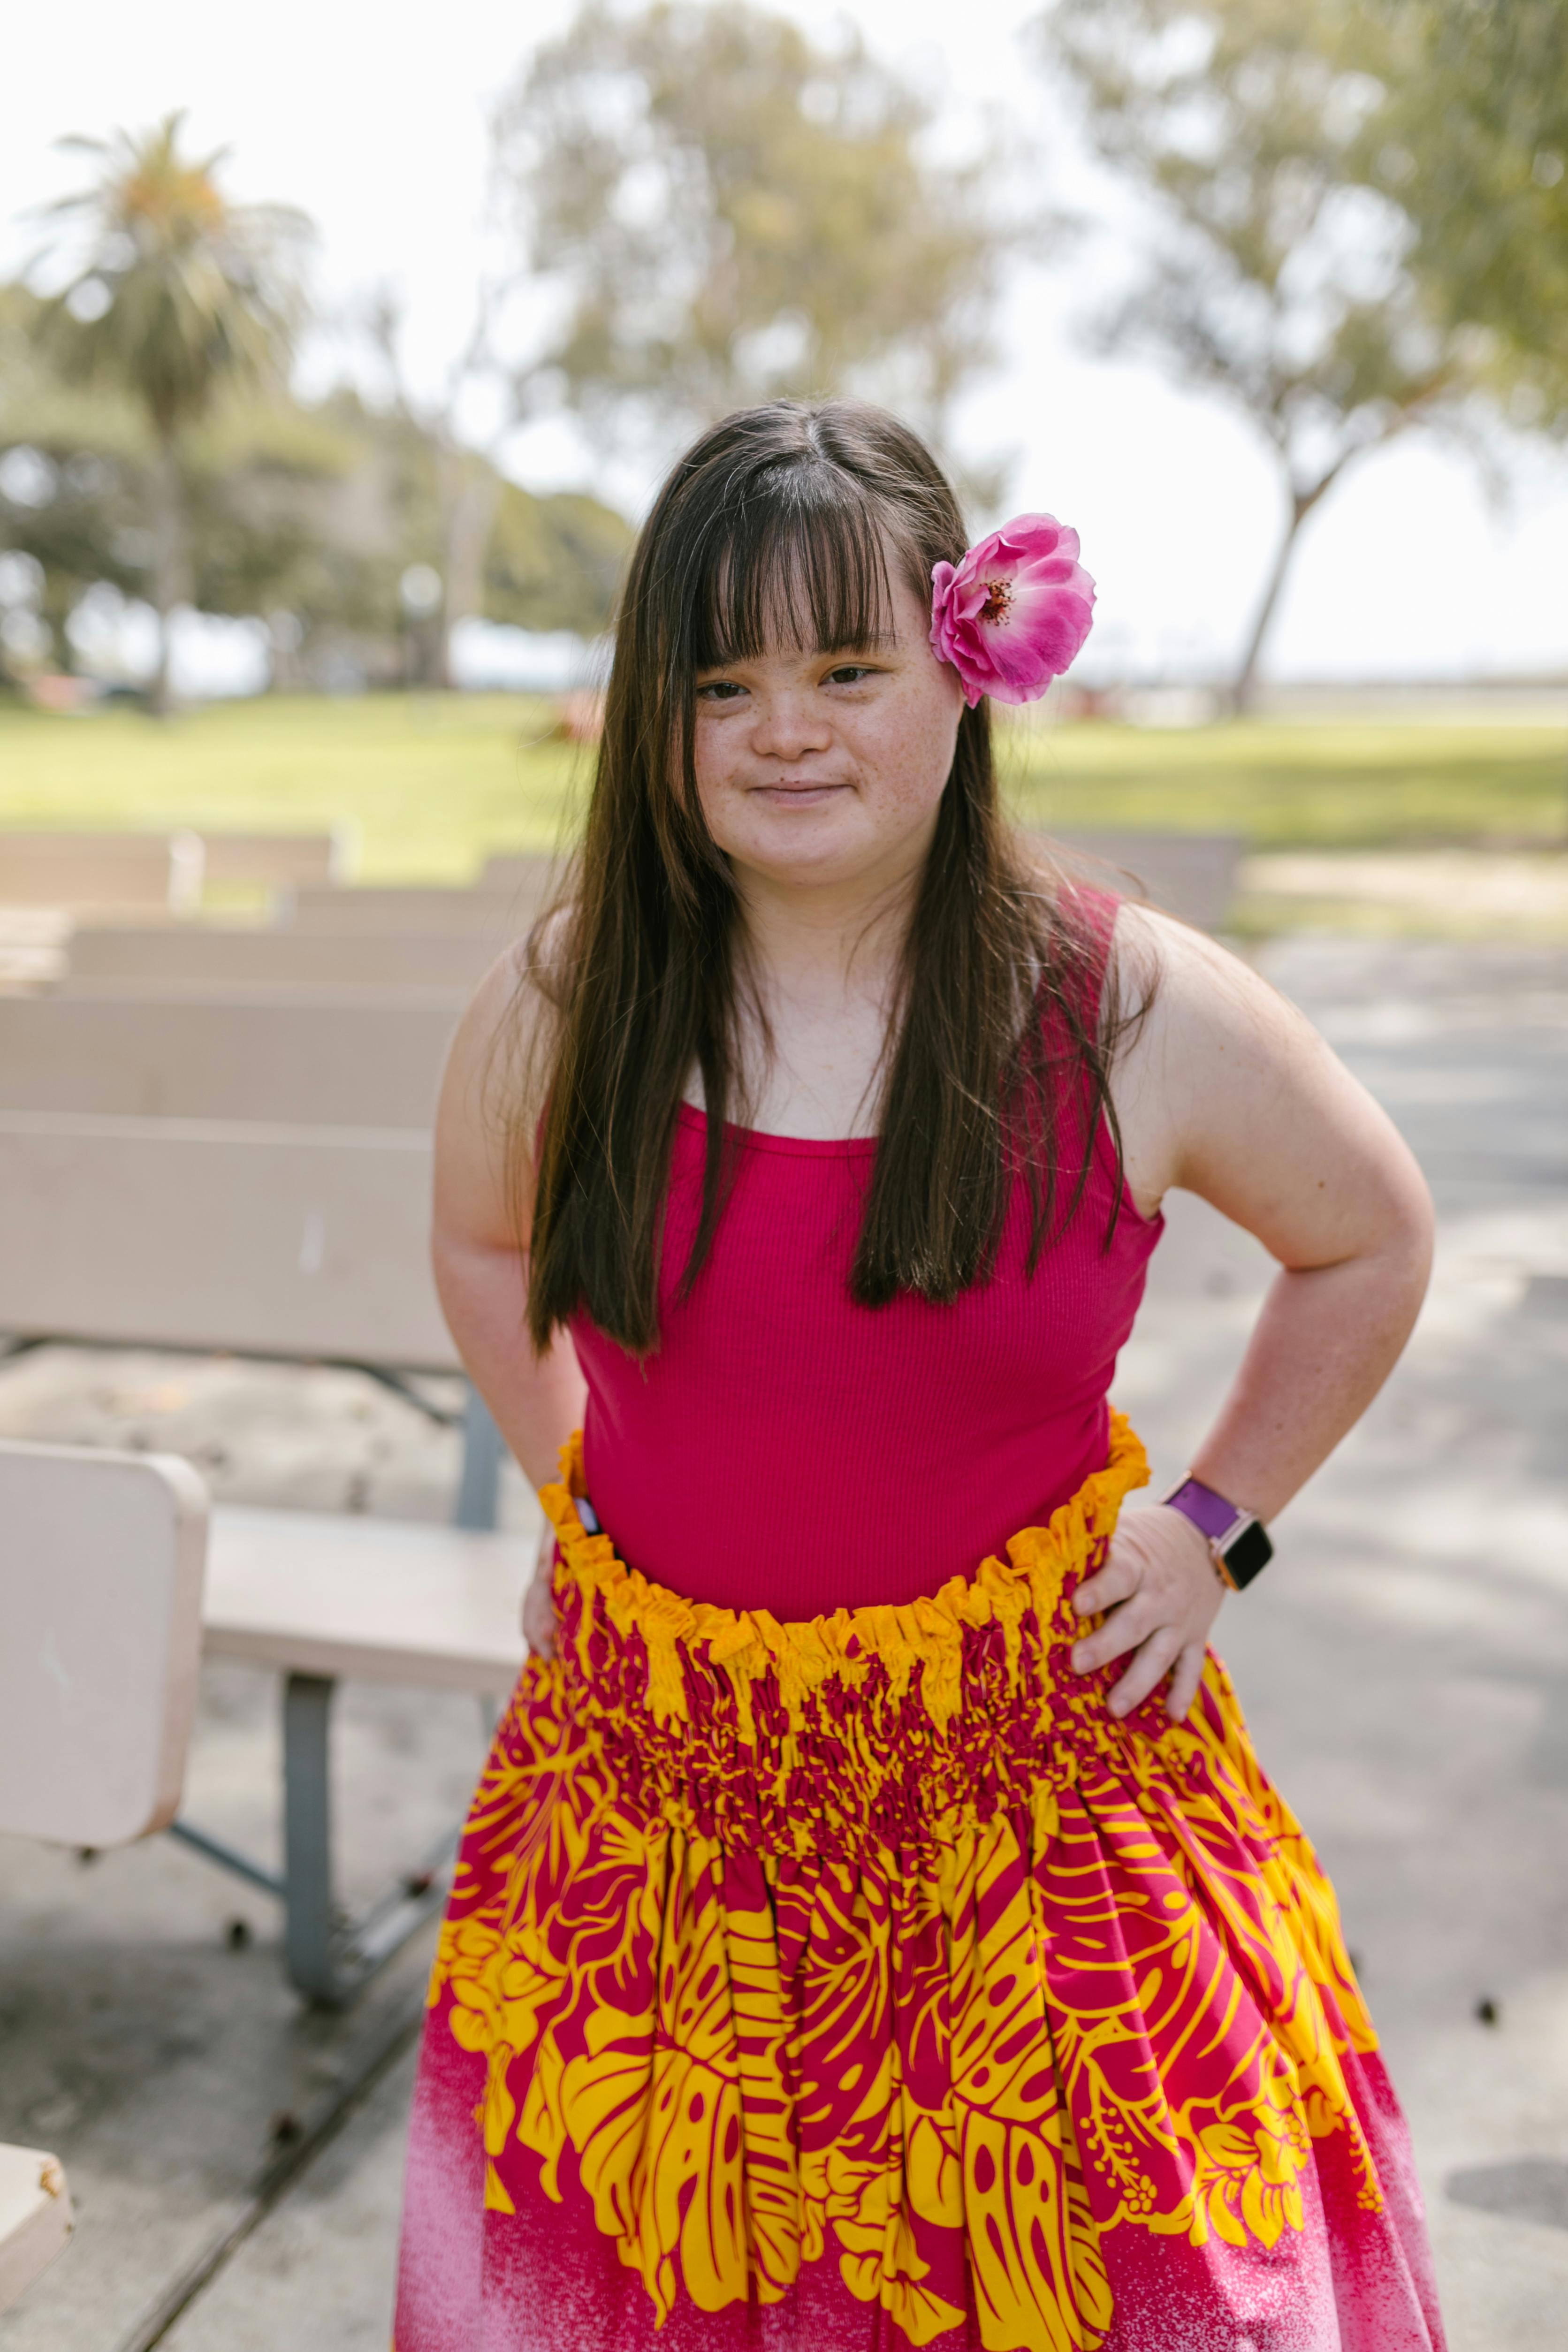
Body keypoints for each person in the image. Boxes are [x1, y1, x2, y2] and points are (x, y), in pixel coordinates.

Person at [394, 400, 1445, 2352]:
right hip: (657, 1808)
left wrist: (1213, 1529)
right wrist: (572, 1485)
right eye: (720, 682)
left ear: (968, 672)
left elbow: (1367, 1235)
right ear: (655, 720)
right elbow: (478, 1242)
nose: (781, 726)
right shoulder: (569, 999)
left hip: (1024, 1799)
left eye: (843, 667)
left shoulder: (1124, 1004)